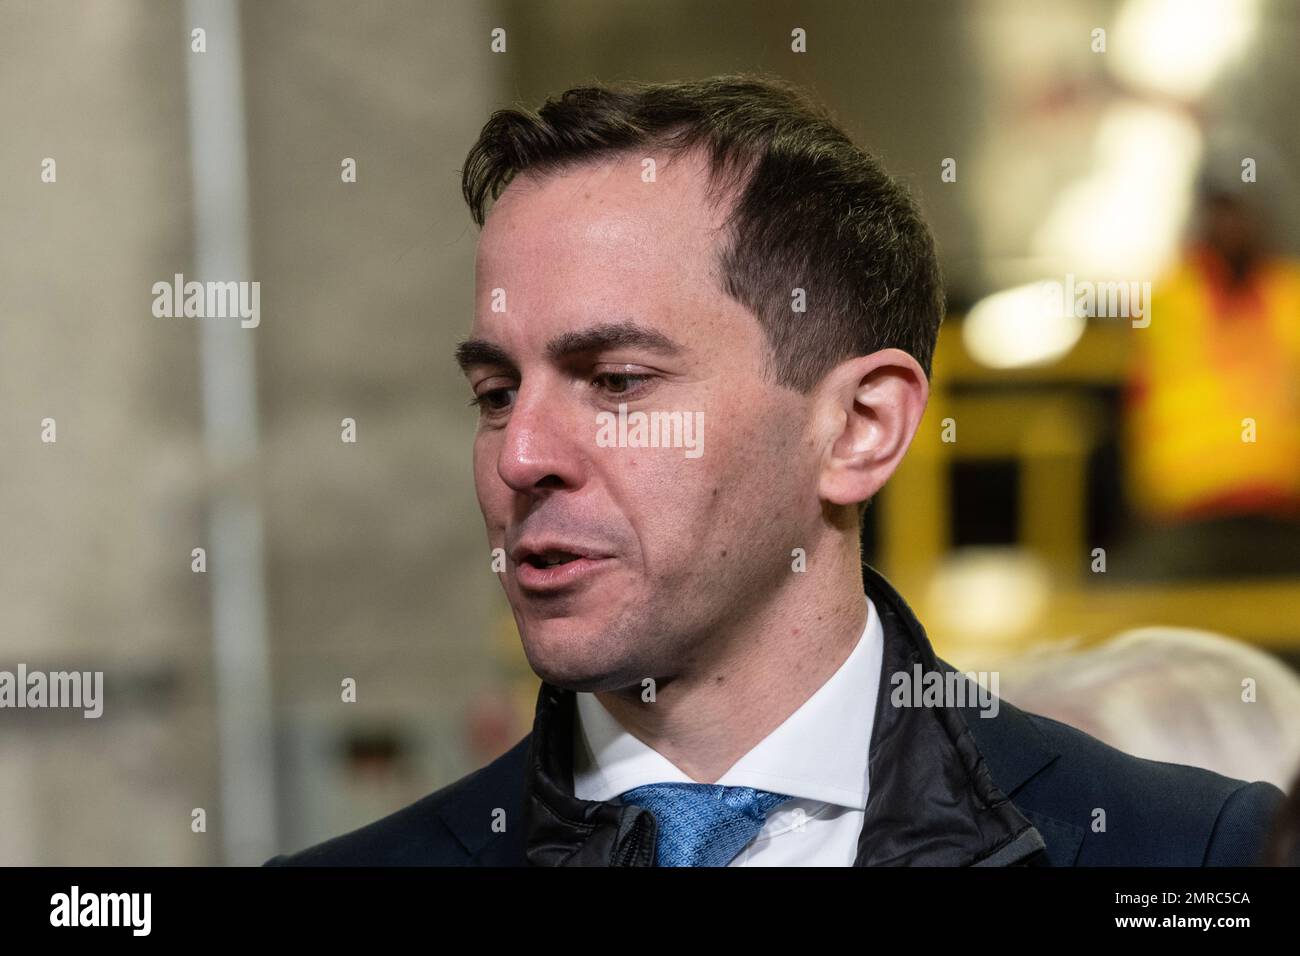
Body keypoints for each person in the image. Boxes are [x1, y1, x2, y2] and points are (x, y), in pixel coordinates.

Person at [266, 74, 1284, 866]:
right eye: (495, 394)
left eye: (615, 380)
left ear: (858, 428)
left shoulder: (1188, 853)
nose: (519, 455)